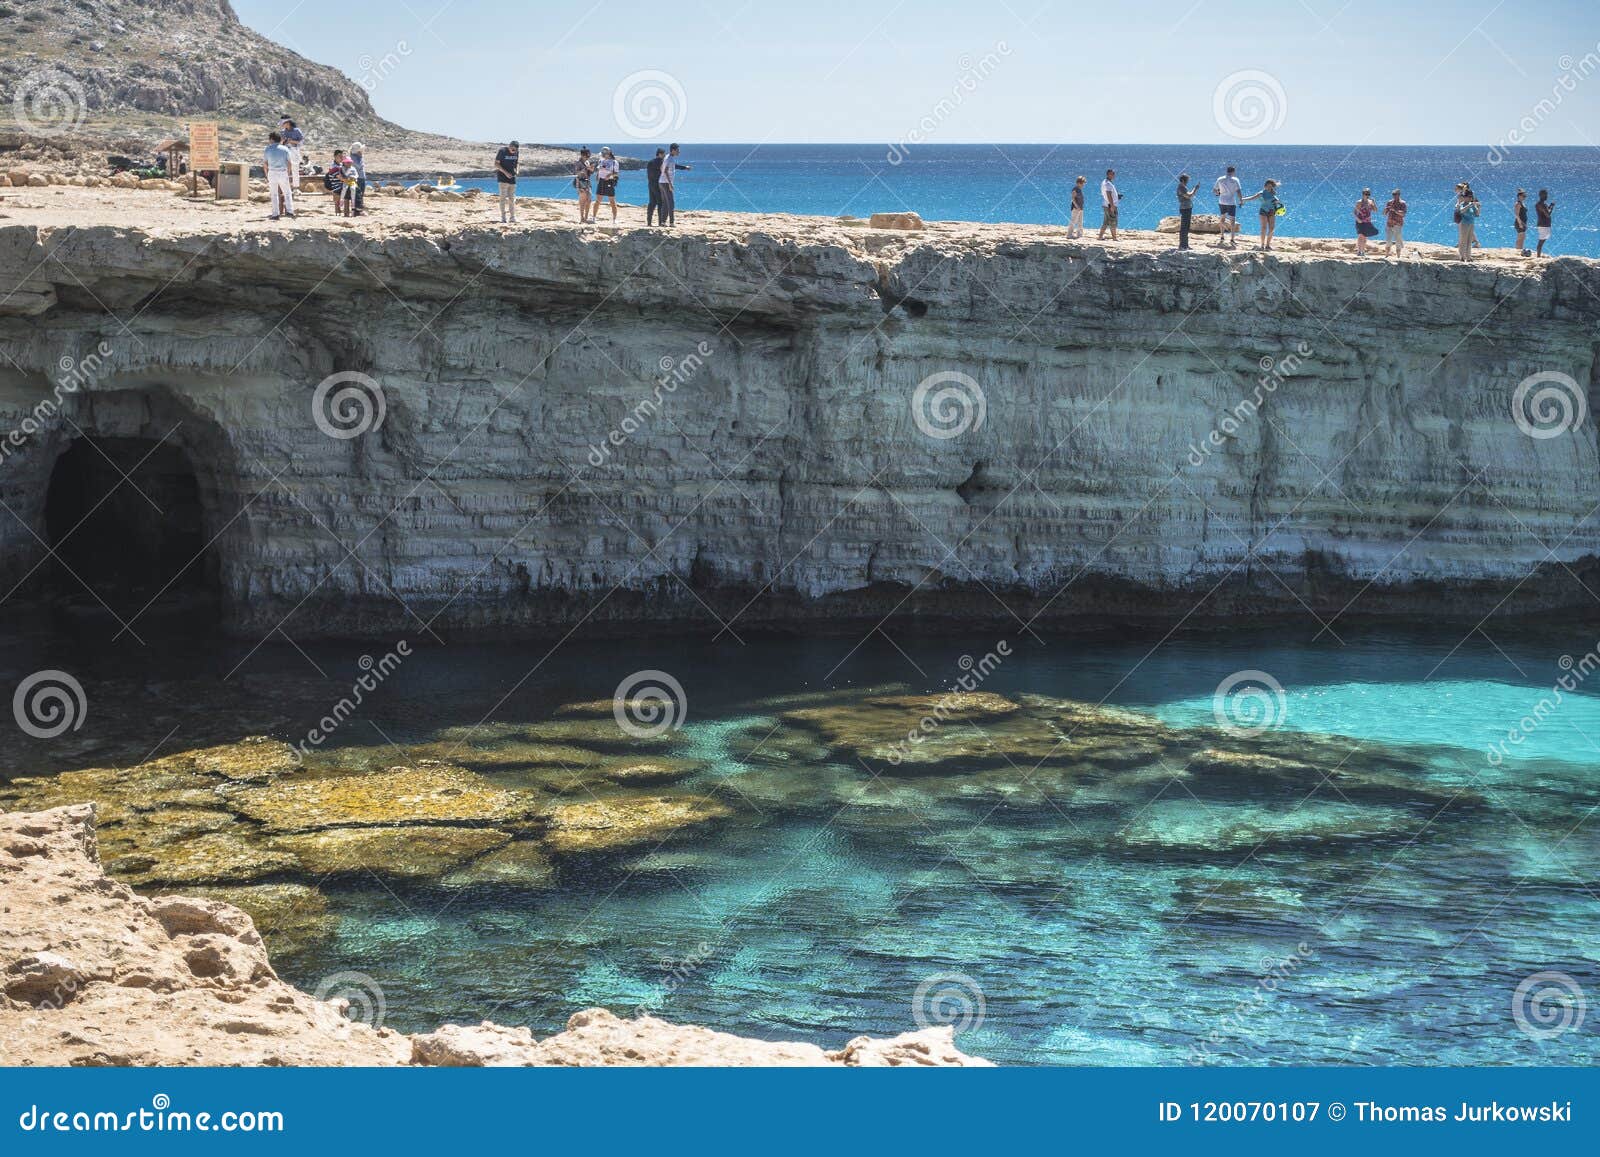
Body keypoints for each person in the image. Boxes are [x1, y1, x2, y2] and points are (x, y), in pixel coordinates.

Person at [1242, 179, 1282, 250]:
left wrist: (1278, 202)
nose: (1269, 188)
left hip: (1272, 211)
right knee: (1264, 228)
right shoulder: (1261, 193)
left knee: (1272, 228)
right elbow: (1252, 198)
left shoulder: (1273, 193)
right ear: (1265, 186)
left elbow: (1276, 201)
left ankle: (1268, 245)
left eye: (1271, 186)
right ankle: (1262, 245)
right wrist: (1243, 199)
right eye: (1268, 186)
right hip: (1263, 211)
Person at [264, 131, 295, 220]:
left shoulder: (267, 149)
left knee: (274, 194)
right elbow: (289, 163)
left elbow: (265, 163)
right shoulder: (285, 149)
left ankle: (275, 214)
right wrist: (288, 173)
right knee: (287, 193)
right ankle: (289, 211)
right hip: (282, 172)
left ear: (272, 139)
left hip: (272, 172)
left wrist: (266, 174)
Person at [659, 143, 691, 227]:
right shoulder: (669, 158)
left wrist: (685, 167)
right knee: (671, 203)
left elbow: (663, 167)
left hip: (662, 182)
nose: (679, 152)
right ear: (673, 150)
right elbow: (665, 171)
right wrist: (670, 184)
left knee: (665, 203)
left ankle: (663, 222)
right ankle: (671, 223)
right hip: (666, 183)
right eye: (677, 150)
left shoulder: (668, 157)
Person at [1213, 165, 1243, 248]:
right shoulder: (1235, 179)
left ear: (1227, 171)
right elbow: (1238, 191)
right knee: (1232, 220)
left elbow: (1214, 190)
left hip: (1222, 201)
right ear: (1233, 172)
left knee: (1222, 218)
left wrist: (1218, 193)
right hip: (1231, 202)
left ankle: (1222, 236)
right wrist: (1241, 200)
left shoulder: (1220, 179)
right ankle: (1232, 238)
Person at [593, 147, 620, 223]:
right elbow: (599, 169)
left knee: (612, 201)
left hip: (609, 182)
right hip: (601, 181)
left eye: (603, 154)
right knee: (598, 200)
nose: (602, 155)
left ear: (608, 154)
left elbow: (616, 173)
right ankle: (593, 218)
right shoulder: (601, 160)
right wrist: (597, 176)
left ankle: (614, 219)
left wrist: (609, 175)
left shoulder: (614, 162)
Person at [494, 140, 519, 224]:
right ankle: (503, 217)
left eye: (515, 150)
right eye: (513, 149)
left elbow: (517, 163)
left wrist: (517, 170)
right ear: (509, 146)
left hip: (512, 178)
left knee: (512, 198)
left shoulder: (516, 152)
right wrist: (506, 173)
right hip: (502, 178)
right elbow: (496, 164)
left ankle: (512, 217)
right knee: (503, 198)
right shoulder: (502, 151)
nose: (514, 151)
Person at [1457, 183, 1481, 261]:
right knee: (1463, 240)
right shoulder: (1462, 204)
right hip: (1464, 224)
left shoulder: (1472, 205)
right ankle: (1462, 256)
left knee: (1469, 241)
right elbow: (1461, 211)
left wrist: (1478, 207)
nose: (1470, 198)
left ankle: (1468, 256)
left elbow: (1477, 214)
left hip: (1471, 224)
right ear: (1465, 197)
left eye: (1471, 197)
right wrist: (1468, 206)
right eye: (1469, 197)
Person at [573, 146, 595, 223]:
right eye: (587, 156)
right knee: (582, 201)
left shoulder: (588, 162)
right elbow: (576, 173)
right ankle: (582, 218)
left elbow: (591, 172)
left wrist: (590, 168)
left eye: (588, 156)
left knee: (589, 200)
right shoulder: (578, 163)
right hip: (580, 182)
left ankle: (586, 217)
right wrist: (584, 170)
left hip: (588, 182)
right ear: (582, 155)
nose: (588, 157)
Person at [1353, 188, 1378, 257]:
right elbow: (1354, 212)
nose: (1367, 195)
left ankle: (1363, 251)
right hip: (1360, 221)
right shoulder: (1359, 202)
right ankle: (1359, 251)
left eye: (1368, 194)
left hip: (1367, 221)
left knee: (1365, 237)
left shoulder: (1370, 202)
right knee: (1360, 235)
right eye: (1366, 194)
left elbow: (1375, 210)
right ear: (1363, 194)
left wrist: (1374, 203)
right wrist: (1358, 219)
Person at [1383, 188, 1407, 256]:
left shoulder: (1402, 203)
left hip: (1397, 224)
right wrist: (1385, 209)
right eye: (1393, 194)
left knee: (1398, 241)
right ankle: (1387, 254)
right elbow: (1384, 214)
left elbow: (1403, 214)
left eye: (1395, 194)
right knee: (1388, 240)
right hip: (1389, 223)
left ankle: (1398, 255)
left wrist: (1395, 210)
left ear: (1399, 195)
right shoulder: (1389, 202)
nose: (1394, 196)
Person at [1097, 168, 1120, 241]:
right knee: (1113, 221)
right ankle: (1114, 238)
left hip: (1106, 204)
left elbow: (1108, 194)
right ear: (1108, 174)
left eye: (1114, 174)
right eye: (1112, 174)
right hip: (1110, 205)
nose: (1113, 175)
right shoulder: (1108, 184)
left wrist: (1117, 196)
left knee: (1106, 222)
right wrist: (1112, 205)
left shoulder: (1105, 182)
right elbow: (1108, 194)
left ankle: (1100, 236)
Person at [646, 148, 666, 226]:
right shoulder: (661, 162)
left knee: (652, 203)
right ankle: (660, 222)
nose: (664, 156)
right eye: (664, 154)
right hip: (658, 185)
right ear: (660, 154)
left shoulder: (650, 162)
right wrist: (684, 167)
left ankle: (649, 222)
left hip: (650, 184)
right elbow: (672, 166)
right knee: (660, 203)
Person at [1175, 173, 1195, 250]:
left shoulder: (1183, 187)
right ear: (1183, 180)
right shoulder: (1181, 187)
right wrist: (1195, 189)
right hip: (1185, 208)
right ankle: (1182, 245)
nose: (1187, 182)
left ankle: (1185, 244)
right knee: (1184, 227)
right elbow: (1189, 196)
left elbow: (1189, 195)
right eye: (1187, 180)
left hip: (1187, 208)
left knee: (1186, 227)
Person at [348, 142, 367, 216]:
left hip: (361, 177)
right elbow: (359, 166)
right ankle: (357, 210)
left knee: (360, 194)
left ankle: (358, 210)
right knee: (357, 194)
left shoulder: (357, 157)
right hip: (357, 178)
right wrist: (361, 157)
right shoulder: (353, 157)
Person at [1535, 189, 1555, 257]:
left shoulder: (1543, 204)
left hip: (1544, 225)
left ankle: (1538, 255)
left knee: (1543, 239)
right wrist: (1552, 207)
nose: (1547, 196)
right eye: (1545, 195)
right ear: (1541, 195)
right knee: (1541, 242)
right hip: (1543, 225)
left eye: (1546, 195)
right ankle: (1538, 256)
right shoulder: (1541, 204)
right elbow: (1547, 214)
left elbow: (1546, 211)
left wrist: (1550, 206)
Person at [1513, 189, 1528, 255]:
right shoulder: (1518, 204)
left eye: (1525, 196)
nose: (1524, 197)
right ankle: (1519, 251)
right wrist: (1520, 223)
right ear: (1519, 196)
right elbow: (1516, 214)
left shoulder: (1522, 203)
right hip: (1520, 222)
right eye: (1523, 196)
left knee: (1522, 237)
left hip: (1523, 222)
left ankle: (1519, 250)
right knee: (1521, 237)